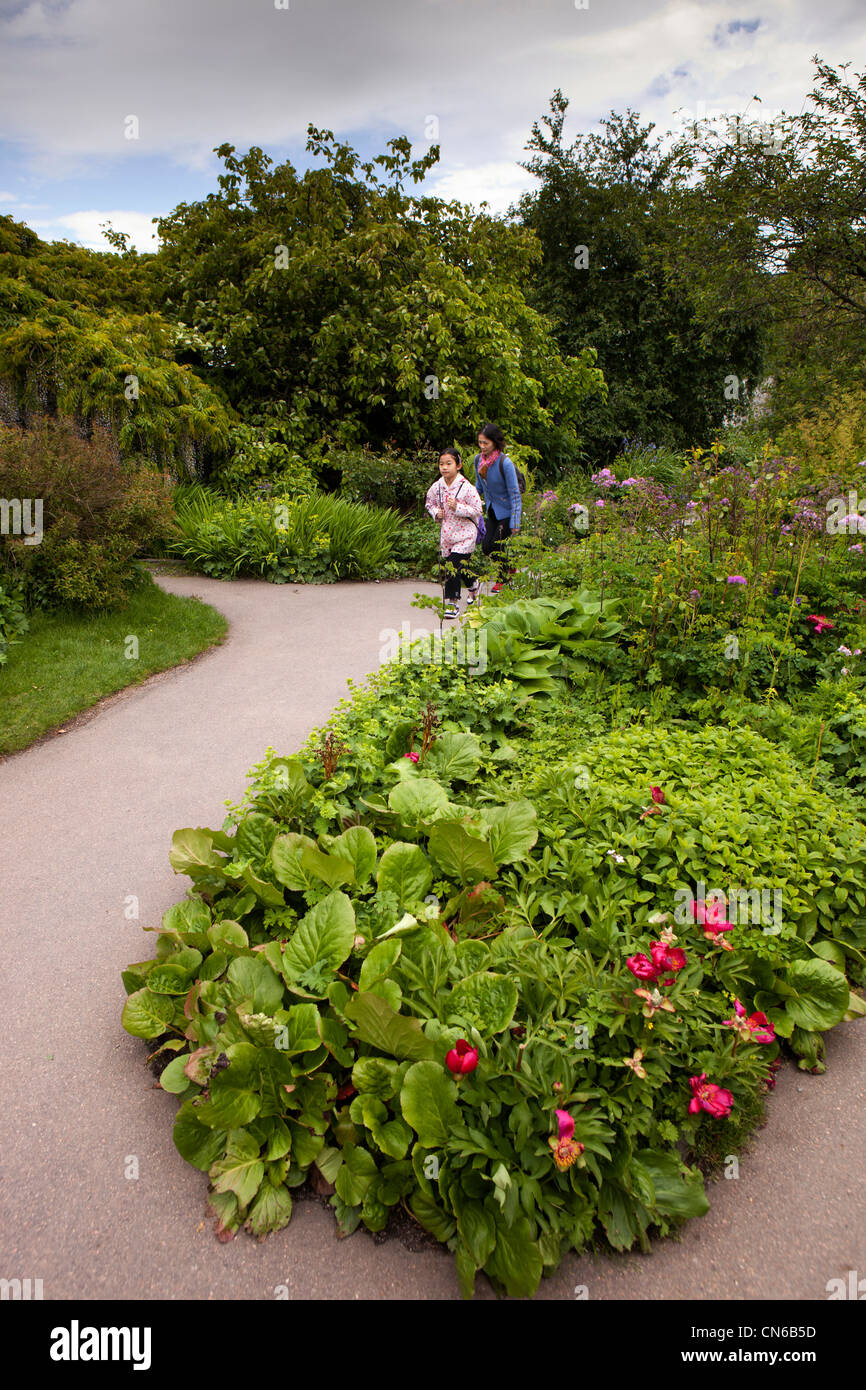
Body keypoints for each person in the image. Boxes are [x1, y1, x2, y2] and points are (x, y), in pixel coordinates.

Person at [424, 447, 483, 619]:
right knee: (460, 567)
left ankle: (452, 603)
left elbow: (477, 509)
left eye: (449, 463)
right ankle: (473, 584)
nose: (444, 467)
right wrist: (436, 513)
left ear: (458, 465)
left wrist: (458, 507)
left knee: (452, 566)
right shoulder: (437, 487)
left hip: (465, 534)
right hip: (448, 535)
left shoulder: (467, 488)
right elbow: (429, 503)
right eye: (441, 464)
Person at [473, 423, 521, 591]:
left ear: (494, 442)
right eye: (480, 442)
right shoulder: (478, 460)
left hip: (507, 511)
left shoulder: (504, 463)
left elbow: (515, 494)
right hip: (492, 510)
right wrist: (469, 499)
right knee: (486, 547)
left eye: (486, 443)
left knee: (497, 545)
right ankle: (510, 566)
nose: (482, 446)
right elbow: (478, 486)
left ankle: (502, 578)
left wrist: (515, 521)